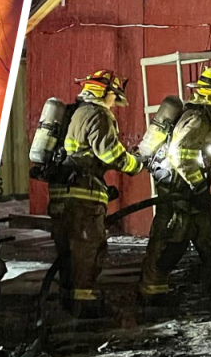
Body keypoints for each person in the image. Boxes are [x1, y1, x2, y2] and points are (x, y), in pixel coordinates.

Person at [138, 66, 211, 308]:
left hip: (190, 194)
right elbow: (180, 154)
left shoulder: (207, 116)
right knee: (169, 244)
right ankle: (151, 296)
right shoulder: (198, 118)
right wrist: (199, 187)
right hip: (178, 195)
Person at [49, 69, 144, 318]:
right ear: (105, 93)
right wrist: (136, 164)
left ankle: (69, 304)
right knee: (87, 250)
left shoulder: (75, 112)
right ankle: (84, 308)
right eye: (114, 97)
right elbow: (110, 154)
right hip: (82, 197)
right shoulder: (97, 114)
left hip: (64, 193)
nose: (115, 104)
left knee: (69, 253)